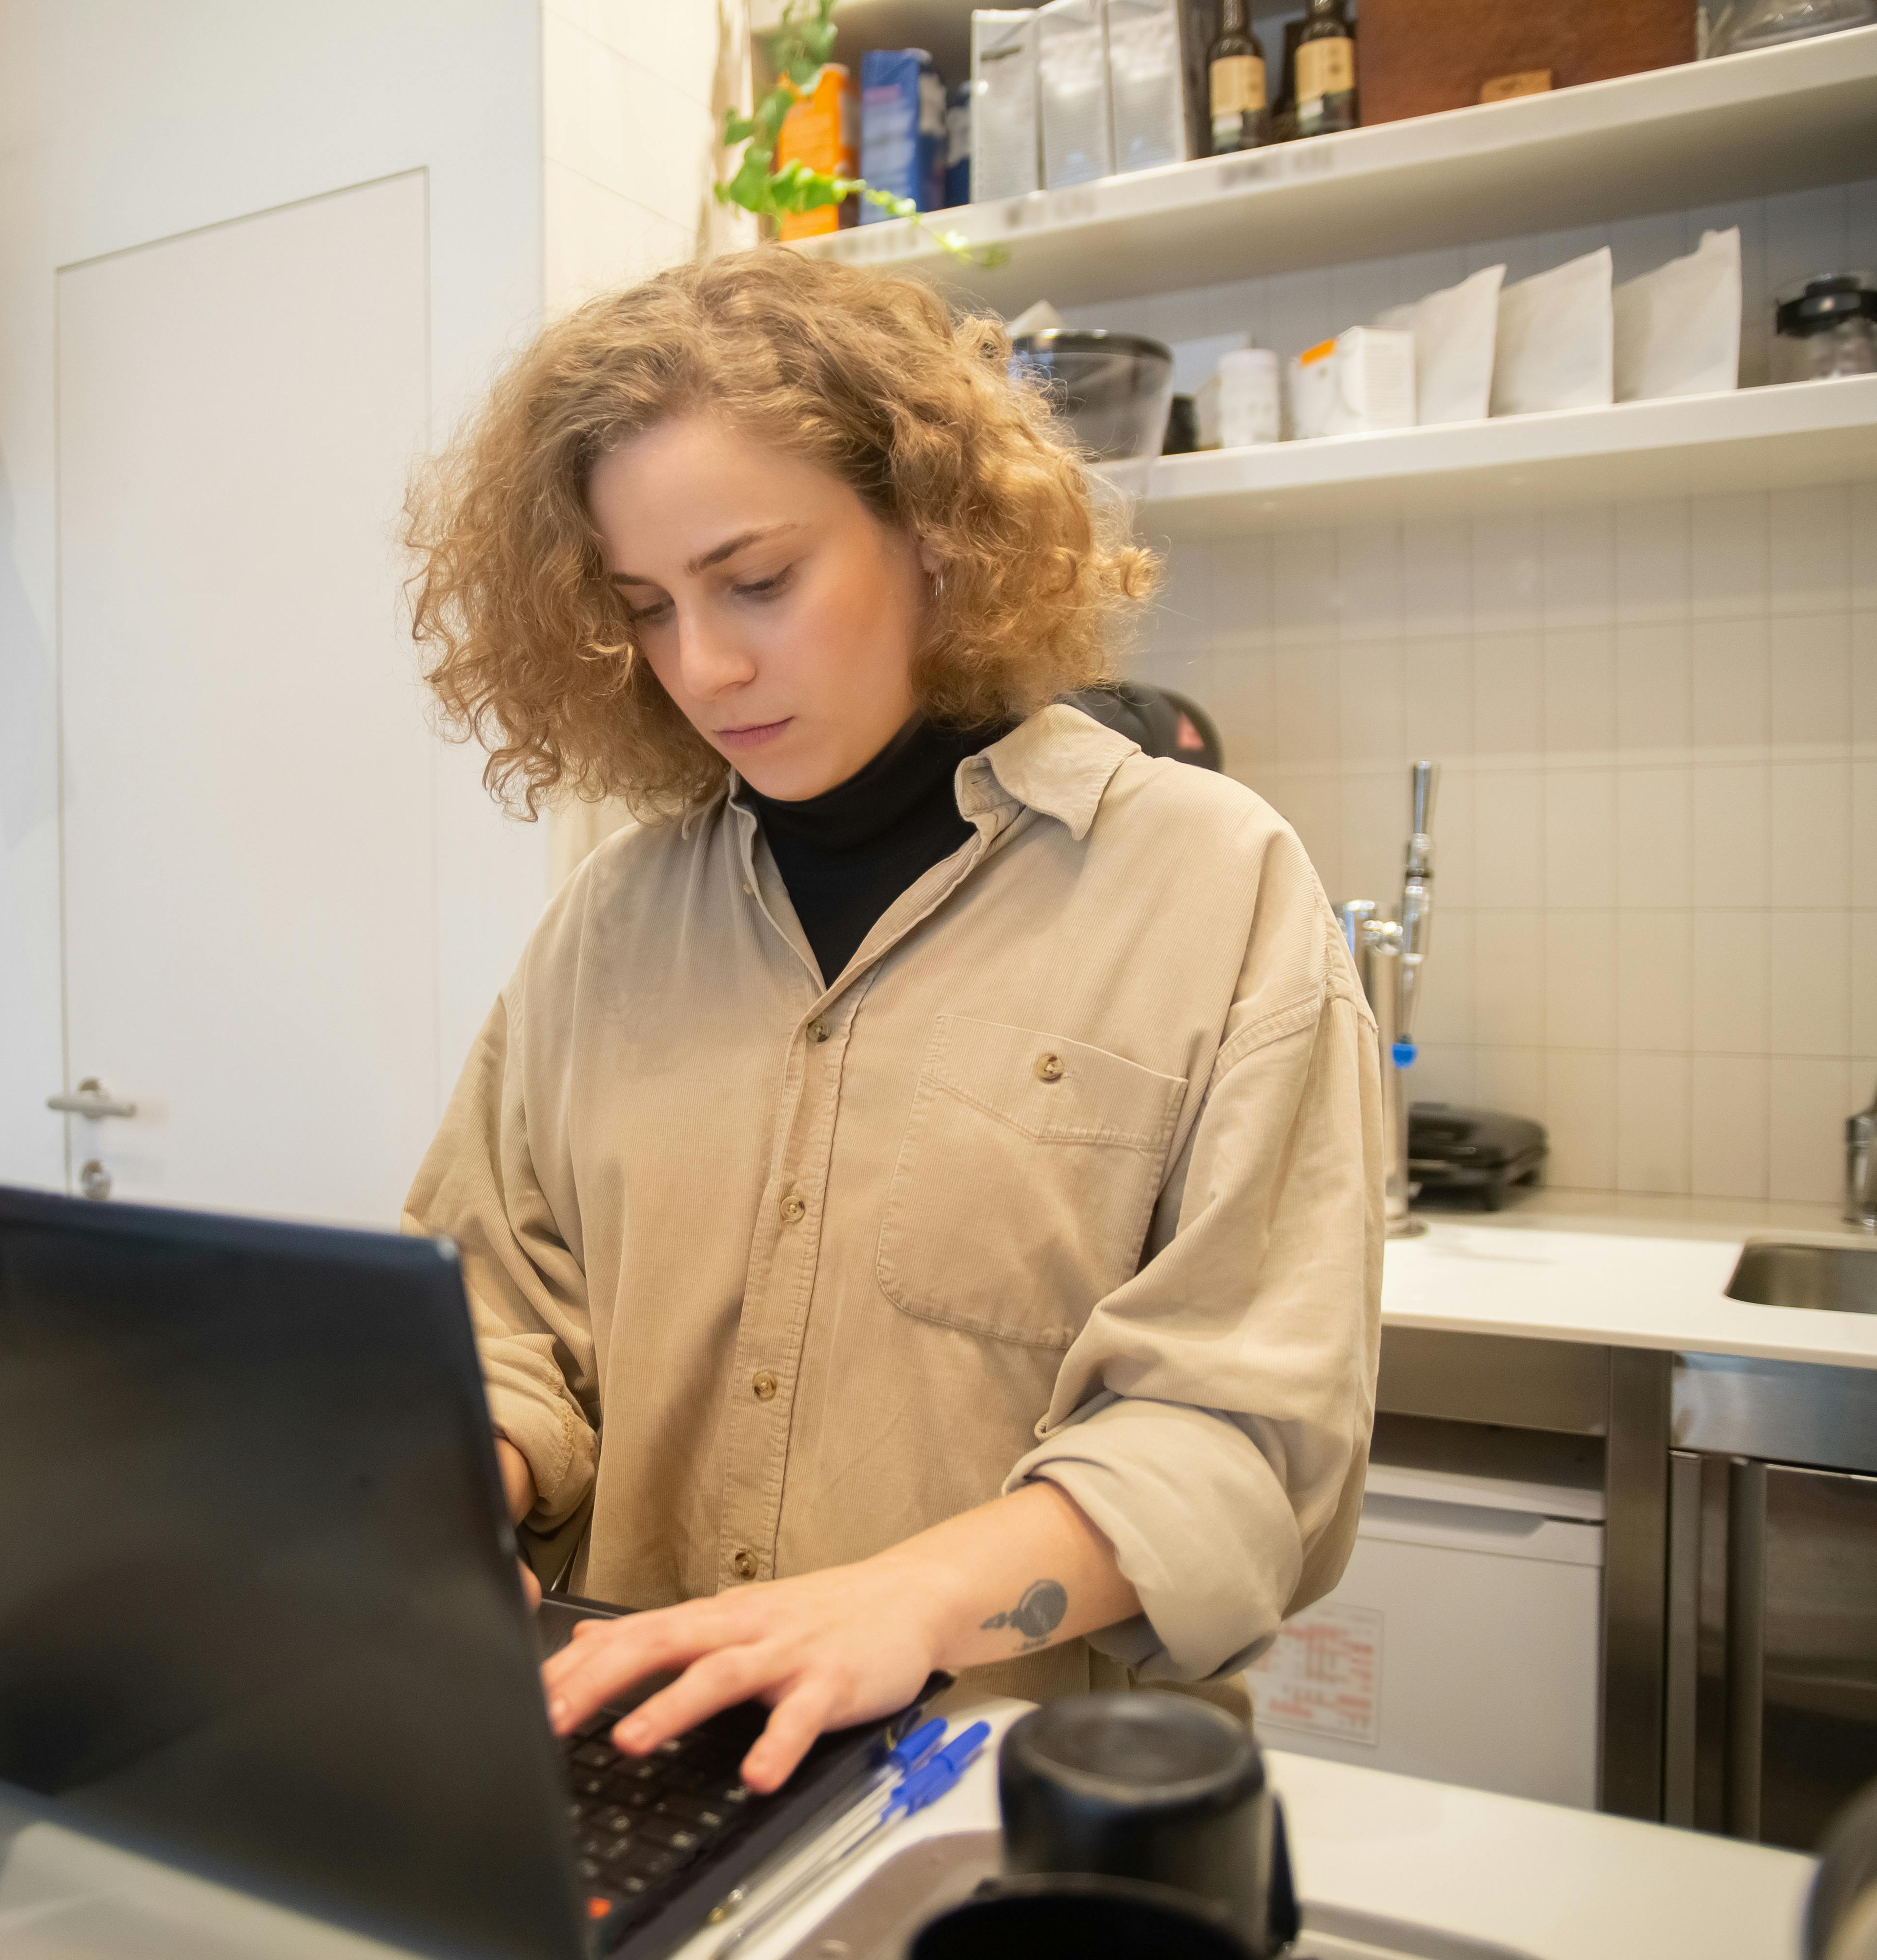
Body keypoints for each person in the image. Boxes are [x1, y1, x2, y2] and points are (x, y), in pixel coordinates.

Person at [400, 249, 1381, 1797]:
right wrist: (464, 1472)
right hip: (641, 1768)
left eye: (759, 581)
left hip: (1009, 1799)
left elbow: (1239, 1435)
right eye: (647, 608)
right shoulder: (608, 928)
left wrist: (907, 1601)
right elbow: (509, 1317)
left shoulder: (1213, 886)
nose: (705, 667)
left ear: (936, 535)